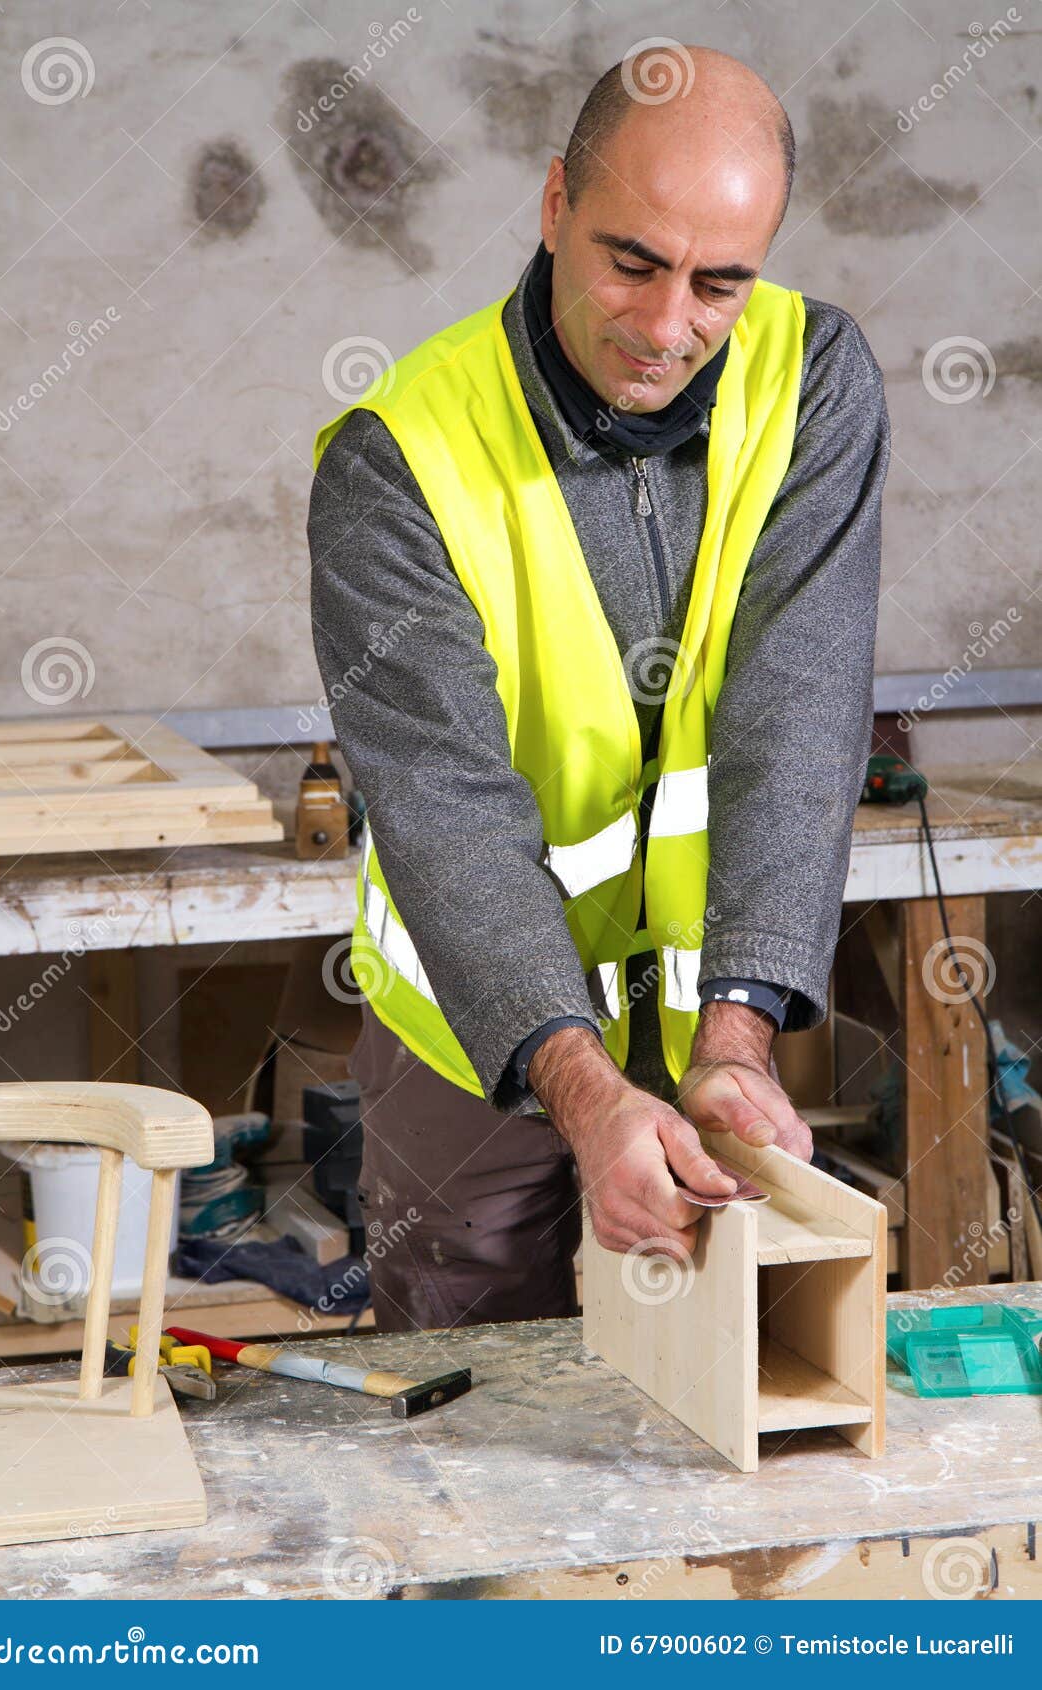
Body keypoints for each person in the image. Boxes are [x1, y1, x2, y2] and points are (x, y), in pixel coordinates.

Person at [307, 44, 890, 1333]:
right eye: (633, 260)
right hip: (473, 1034)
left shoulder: (817, 384)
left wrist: (736, 1035)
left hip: (697, 1014)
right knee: (474, 1397)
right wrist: (576, 1085)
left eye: (720, 283)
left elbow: (793, 722)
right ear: (557, 201)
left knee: (702, 1403)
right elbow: (446, 809)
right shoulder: (397, 457)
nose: (668, 324)